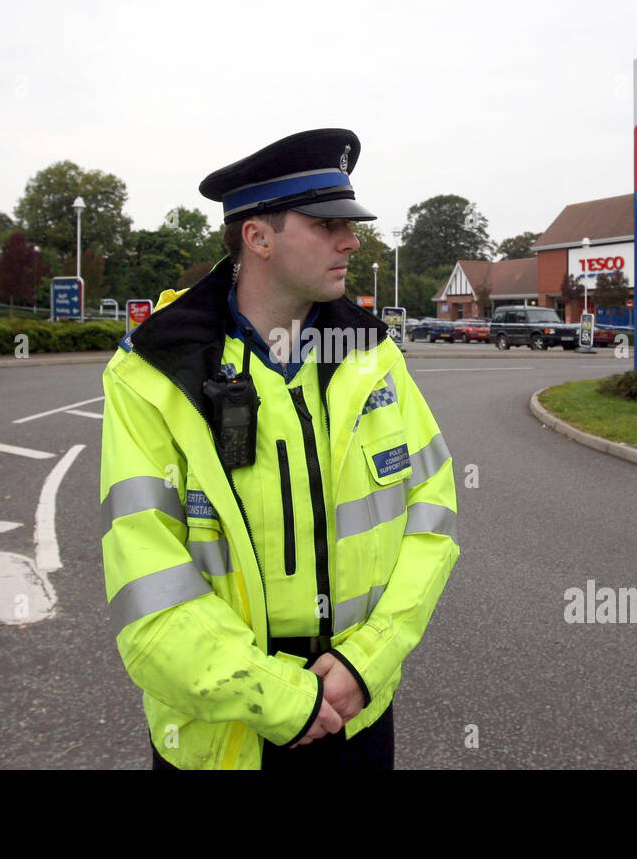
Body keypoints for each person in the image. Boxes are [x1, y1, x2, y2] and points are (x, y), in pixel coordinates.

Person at [100, 128, 459, 770]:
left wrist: (366, 660)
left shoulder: (373, 356)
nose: (350, 240)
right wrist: (281, 698)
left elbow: (432, 514)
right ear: (257, 238)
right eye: (326, 224)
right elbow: (147, 584)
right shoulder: (156, 373)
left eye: (349, 223)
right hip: (226, 728)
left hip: (355, 707)